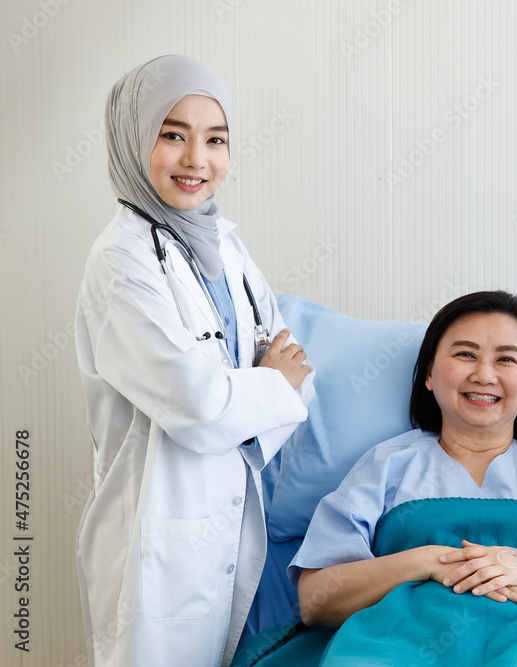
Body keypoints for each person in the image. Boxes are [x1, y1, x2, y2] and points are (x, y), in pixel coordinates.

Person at [75, 55, 315, 667]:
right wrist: (262, 386)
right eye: (172, 134)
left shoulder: (225, 245)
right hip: (154, 539)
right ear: (135, 140)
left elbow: (299, 379)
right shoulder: (120, 262)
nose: (195, 160)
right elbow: (197, 405)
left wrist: (257, 390)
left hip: (227, 524)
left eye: (216, 139)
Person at [291, 290, 517, 664]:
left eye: (506, 359)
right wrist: (428, 561)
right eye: (465, 354)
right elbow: (316, 601)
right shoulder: (386, 465)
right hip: (393, 648)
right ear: (430, 375)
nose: (484, 374)